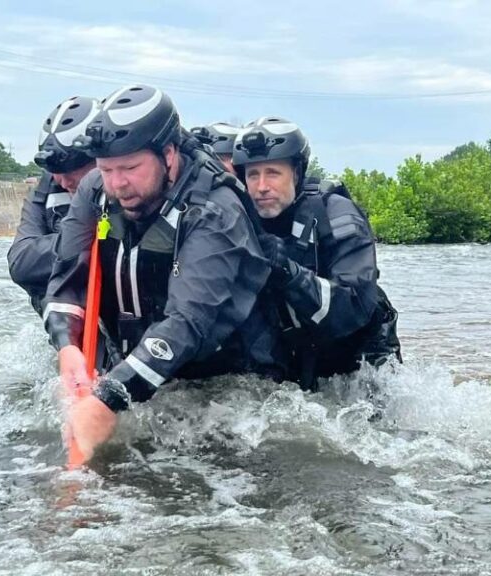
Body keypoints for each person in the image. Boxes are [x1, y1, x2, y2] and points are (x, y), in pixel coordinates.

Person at [43, 85, 285, 460]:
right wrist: (67, 346)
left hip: (225, 383)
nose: (117, 183)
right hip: (139, 361)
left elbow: (188, 320)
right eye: (107, 169)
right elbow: (67, 274)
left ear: (168, 155)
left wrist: (108, 398)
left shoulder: (216, 211)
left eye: (130, 167)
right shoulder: (97, 187)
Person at [232, 116, 401, 391]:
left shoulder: (336, 215)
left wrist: (288, 272)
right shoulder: (240, 222)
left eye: (273, 173)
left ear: (296, 173)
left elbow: (353, 309)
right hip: (298, 352)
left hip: (363, 353)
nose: (262, 186)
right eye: (253, 174)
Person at [7, 96, 100, 315]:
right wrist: (86, 240)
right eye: (56, 173)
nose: (64, 181)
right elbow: (21, 263)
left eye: (72, 171)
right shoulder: (45, 190)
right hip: (71, 310)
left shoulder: (129, 186)